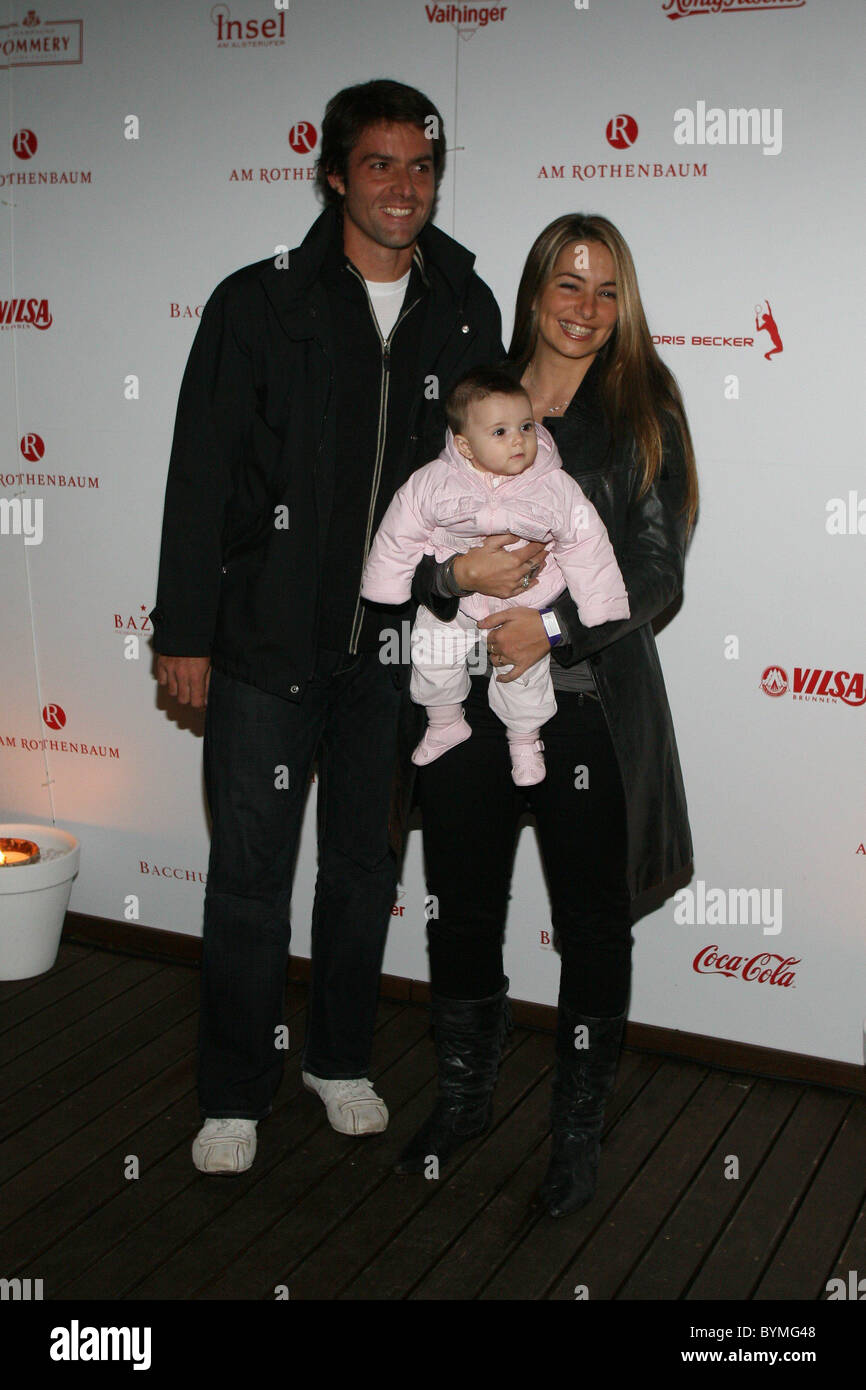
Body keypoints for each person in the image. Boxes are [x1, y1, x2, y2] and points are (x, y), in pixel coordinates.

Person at [149, 79, 507, 1175]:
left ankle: (339, 1060)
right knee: (251, 877)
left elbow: (477, 481)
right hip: (265, 642)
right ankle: (233, 1091)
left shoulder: (464, 302)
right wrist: (185, 630)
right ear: (334, 173)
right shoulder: (257, 303)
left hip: (392, 650)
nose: (402, 188)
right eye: (380, 165)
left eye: (421, 166)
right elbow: (200, 477)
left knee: (361, 865)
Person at [401, 214, 698, 1217]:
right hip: (469, 705)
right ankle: (462, 1099)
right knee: (463, 905)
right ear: (533, 290)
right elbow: (410, 536)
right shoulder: (476, 395)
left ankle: (575, 1135)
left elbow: (654, 572)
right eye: (567, 284)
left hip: (588, 704)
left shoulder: (642, 404)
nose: (584, 308)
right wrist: (451, 578)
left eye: (605, 290)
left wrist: (554, 630)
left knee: (589, 925)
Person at [361, 368, 629, 785]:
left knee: (521, 674)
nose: (519, 440)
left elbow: (586, 542)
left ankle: (525, 742)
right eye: (500, 432)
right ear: (465, 446)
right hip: (460, 601)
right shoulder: (432, 481)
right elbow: (399, 530)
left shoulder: (554, 485)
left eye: (525, 426)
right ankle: (445, 722)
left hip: (527, 602)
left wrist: (599, 604)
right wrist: (386, 584)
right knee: (431, 652)